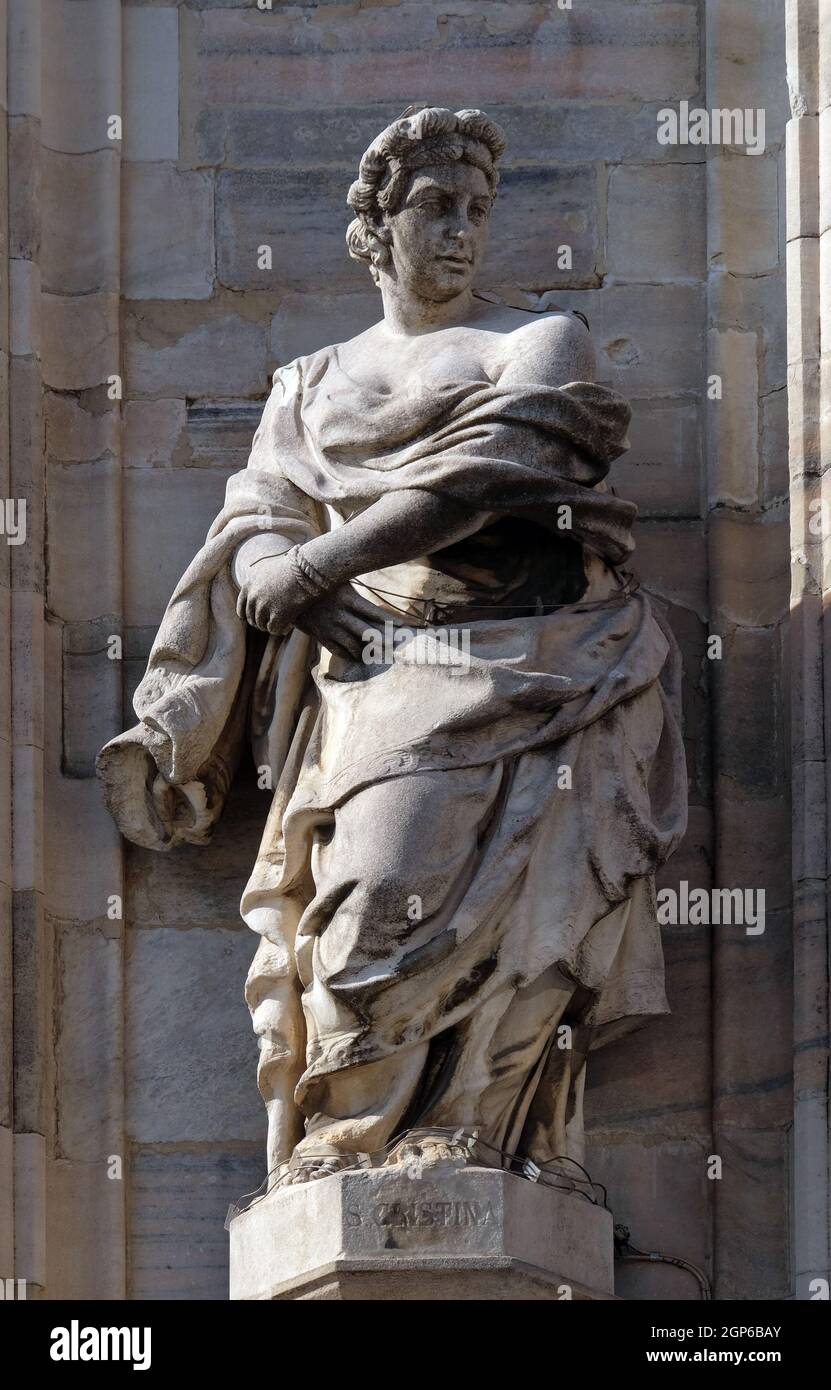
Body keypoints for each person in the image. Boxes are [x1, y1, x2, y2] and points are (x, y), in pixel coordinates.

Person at [98, 107, 687, 1187]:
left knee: (527, 924)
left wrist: (313, 571)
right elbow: (260, 511)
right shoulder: (309, 383)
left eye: (475, 209)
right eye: (434, 208)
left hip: (541, 653)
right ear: (376, 227)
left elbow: (492, 475)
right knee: (366, 901)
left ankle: (484, 1136)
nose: (460, 231)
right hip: (378, 672)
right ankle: (349, 1142)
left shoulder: (537, 342)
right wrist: (276, 569)